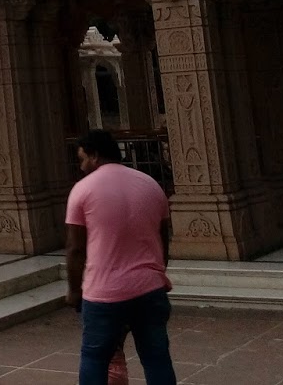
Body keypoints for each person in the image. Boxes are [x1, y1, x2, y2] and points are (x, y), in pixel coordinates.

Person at [66, 130, 176, 385]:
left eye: (82, 159)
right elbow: (162, 237)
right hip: (149, 288)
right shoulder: (150, 184)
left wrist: (74, 291)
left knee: (95, 358)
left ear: (94, 155)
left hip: (104, 293)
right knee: (157, 358)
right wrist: (157, 273)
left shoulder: (82, 190)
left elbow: (75, 248)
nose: (81, 166)